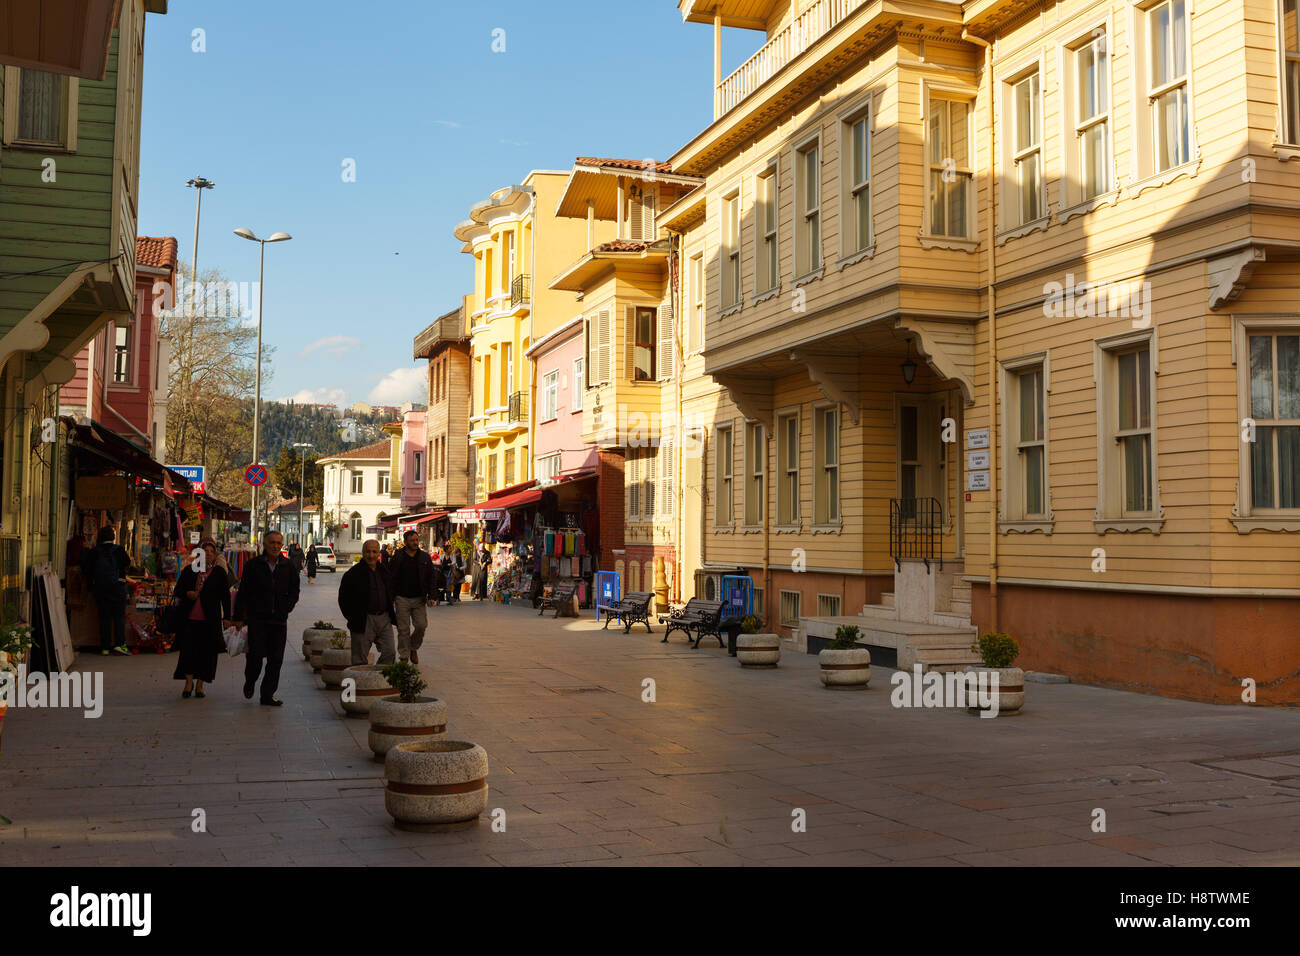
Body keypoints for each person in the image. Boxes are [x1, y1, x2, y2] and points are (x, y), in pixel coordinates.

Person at [232, 530, 300, 706]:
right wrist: (238, 616)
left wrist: (287, 607)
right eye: (272, 542)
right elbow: (243, 592)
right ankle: (250, 681)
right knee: (255, 657)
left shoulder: (289, 565)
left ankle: (267, 695)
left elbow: (295, 590)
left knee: (276, 660)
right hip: (257, 620)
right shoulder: (253, 565)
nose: (276, 546)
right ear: (264, 544)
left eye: (279, 543)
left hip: (279, 620)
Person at [173, 538, 231, 698]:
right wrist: (187, 593)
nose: (209, 554)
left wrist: (227, 617)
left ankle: (200, 685)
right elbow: (177, 590)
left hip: (210, 620)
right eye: (206, 551)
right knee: (188, 652)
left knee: (207, 654)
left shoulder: (219, 573)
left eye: (212, 551)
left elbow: (225, 597)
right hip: (190, 620)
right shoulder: (190, 571)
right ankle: (188, 683)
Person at [338, 539, 397, 665]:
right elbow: (343, 599)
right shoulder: (353, 574)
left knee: (390, 652)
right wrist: (353, 617)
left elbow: (391, 591)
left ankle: (380, 680)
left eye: (374, 552)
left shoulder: (384, 571)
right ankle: (361, 683)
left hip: (384, 619)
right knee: (359, 659)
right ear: (363, 553)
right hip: (363, 620)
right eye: (368, 552)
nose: (371, 555)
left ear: (379, 553)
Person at [79, 526, 130, 655]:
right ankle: (119, 645)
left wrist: (91, 586)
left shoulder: (94, 552)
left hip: (101, 588)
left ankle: (105, 647)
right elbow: (127, 563)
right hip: (118, 587)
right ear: (112, 537)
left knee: (104, 618)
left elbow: (87, 570)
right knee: (119, 617)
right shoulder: (119, 550)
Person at [388, 530, 436, 663]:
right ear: (405, 542)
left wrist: (432, 595)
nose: (415, 543)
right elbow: (391, 578)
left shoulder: (424, 557)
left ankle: (413, 647)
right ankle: (404, 656)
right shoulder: (398, 557)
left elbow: (431, 577)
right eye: (412, 540)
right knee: (403, 629)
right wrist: (390, 599)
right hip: (401, 598)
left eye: (416, 540)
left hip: (419, 598)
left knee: (421, 625)